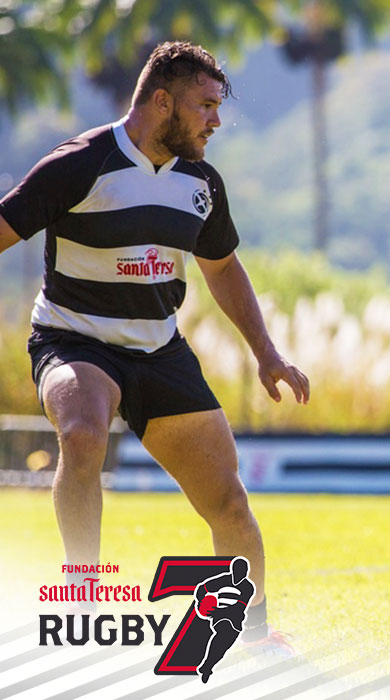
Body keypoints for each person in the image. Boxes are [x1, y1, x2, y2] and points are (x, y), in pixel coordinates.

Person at [0, 41, 303, 652]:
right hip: (74, 339)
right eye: (205, 106)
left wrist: (266, 352)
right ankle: (81, 606)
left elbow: (222, 268)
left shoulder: (201, 182)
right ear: (162, 102)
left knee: (228, 500)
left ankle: (252, 634)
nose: (216, 121)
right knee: (82, 432)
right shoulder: (79, 163)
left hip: (160, 350)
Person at [194, 556, 256, 683]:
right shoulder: (224, 580)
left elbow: (239, 607)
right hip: (220, 618)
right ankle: (207, 667)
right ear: (233, 570)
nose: (241, 574)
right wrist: (201, 603)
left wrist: (217, 611)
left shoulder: (248, 587)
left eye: (244, 571)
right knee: (222, 634)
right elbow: (201, 588)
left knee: (223, 647)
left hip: (235, 619)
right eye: (238, 570)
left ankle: (207, 666)